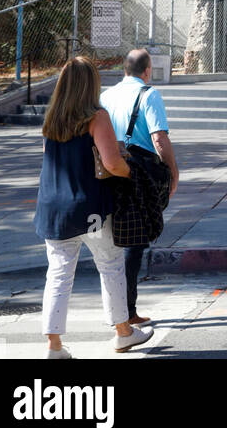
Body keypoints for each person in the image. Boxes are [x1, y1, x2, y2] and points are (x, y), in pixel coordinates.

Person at [34, 56, 153, 358]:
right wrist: (134, 173)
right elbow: (112, 162)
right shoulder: (96, 117)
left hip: (53, 209)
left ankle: (54, 346)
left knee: (58, 274)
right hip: (90, 206)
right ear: (91, 85)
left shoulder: (51, 119)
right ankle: (123, 332)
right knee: (110, 265)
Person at [101, 48, 178, 329]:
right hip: (138, 174)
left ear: (124, 70)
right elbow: (159, 138)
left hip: (110, 169)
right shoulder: (149, 94)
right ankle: (127, 310)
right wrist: (173, 171)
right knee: (134, 241)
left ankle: (119, 309)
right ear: (147, 71)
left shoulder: (106, 96)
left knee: (112, 241)